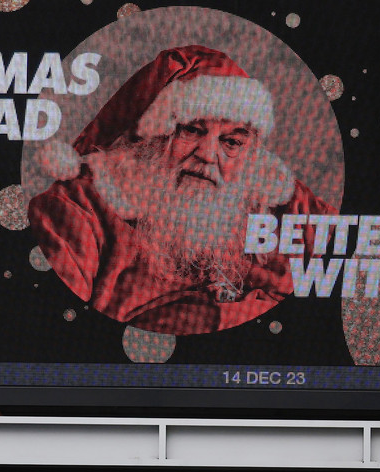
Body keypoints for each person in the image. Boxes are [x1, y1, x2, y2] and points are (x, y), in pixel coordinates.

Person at [30, 44, 334, 336]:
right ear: (153, 137)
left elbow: (343, 243)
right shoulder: (75, 208)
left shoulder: (262, 194)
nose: (206, 154)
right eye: (191, 130)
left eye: (231, 142)